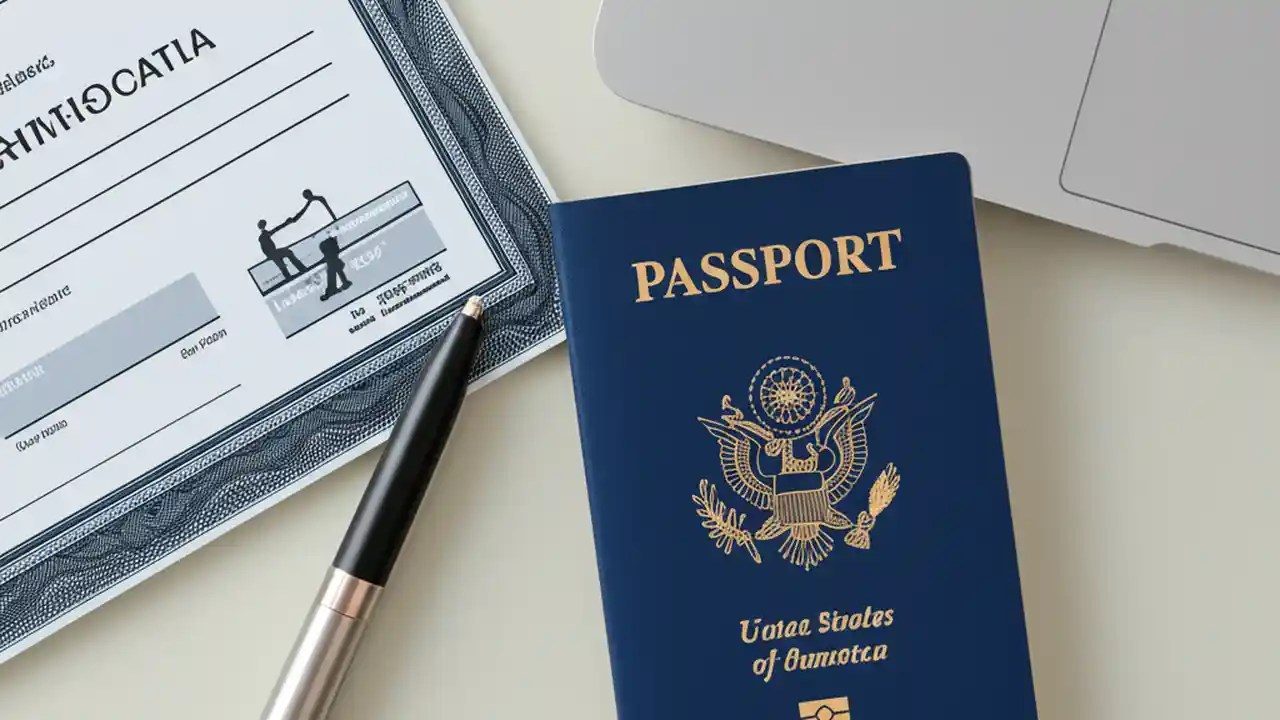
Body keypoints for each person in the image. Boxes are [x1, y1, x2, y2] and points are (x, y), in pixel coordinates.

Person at [318, 233, 352, 301]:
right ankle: (332, 240)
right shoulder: (330, 292)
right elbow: (337, 289)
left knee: (335, 268)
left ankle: (332, 240)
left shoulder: (329, 292)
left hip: (333, 261)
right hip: (333, 262)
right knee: (335, 268)